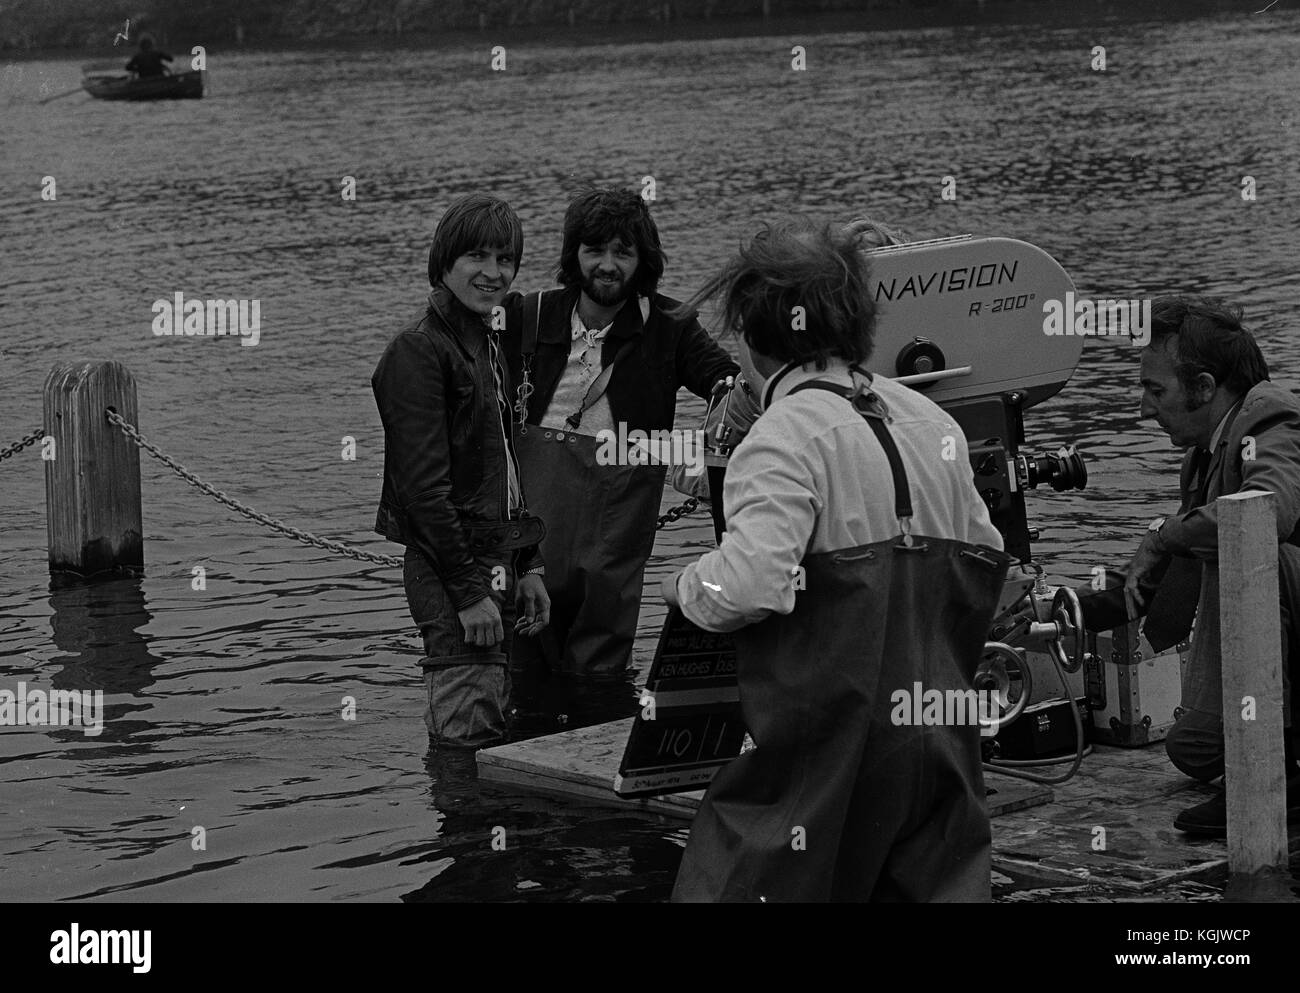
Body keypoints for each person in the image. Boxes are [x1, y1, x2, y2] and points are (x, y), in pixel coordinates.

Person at [661, 219, 1011, 902]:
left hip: (827, 755)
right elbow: (988, 556)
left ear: (759, 335)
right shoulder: (934, 423)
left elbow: (750, 585)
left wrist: (684, 585)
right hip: (939, 744)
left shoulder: (781, 437)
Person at [502, 187, 748, 674]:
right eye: (594, 250)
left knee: (601, 671)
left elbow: (731, 387)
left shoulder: (671, 327)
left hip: (615, 539)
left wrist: (704, 456)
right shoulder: (523, 316)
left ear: (644, 260)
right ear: (575, 255)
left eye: (623, 252)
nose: (607, 265)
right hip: (527, 540)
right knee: (518, 663)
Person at [372, 193, 550, 749]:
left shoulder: (487, 341)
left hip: (494, 560)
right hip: (450, 570)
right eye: (477, 257)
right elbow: (423, 493)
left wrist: (529, 563)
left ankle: (476, 831)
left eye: (505, 260)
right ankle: (462, 832)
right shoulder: (418, 351)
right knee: (465, 740)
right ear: (444, 262)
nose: (493, 273)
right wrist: (470, 593)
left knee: (491, 726)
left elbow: (507, 474)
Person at [1122, 296, 1300, 835]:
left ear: (1202, 386)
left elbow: (1272, 509)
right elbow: (1188, 543)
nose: (1144, 410)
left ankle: (1284, 770)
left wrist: (1163, 535)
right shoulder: (1203, 451)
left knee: (1251, 539)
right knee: (1192, 748)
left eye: (1156, 391)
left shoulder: (1268, 416)